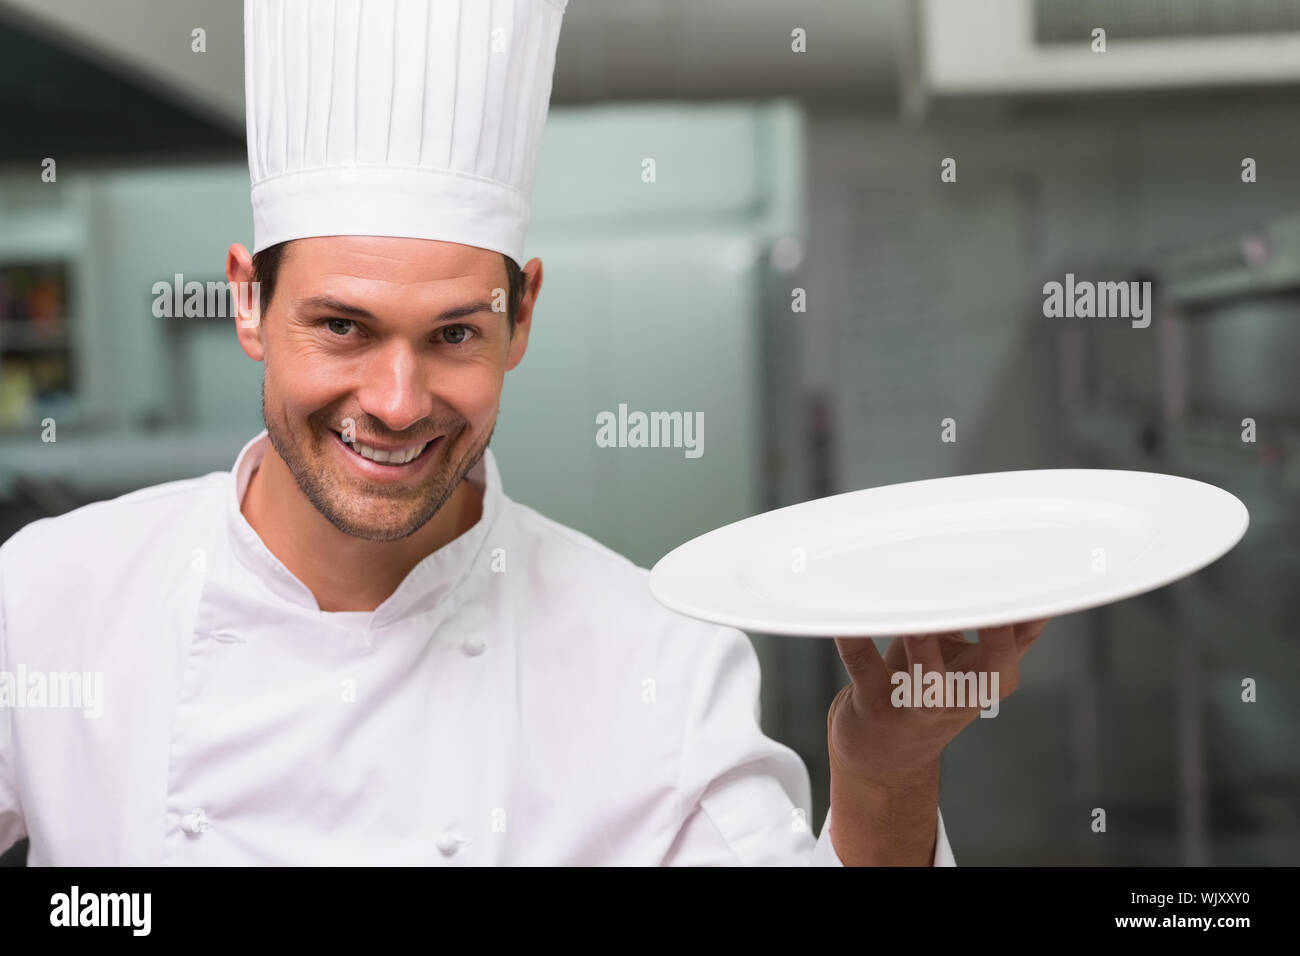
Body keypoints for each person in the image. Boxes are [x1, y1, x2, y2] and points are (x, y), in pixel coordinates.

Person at [0, 0, 1047, 866]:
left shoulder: (655, 653)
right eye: (342, 326)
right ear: (246, 300)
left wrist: (883, 772)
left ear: (523, 315)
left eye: (453, 332)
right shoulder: (55, 600)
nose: (400, 399)